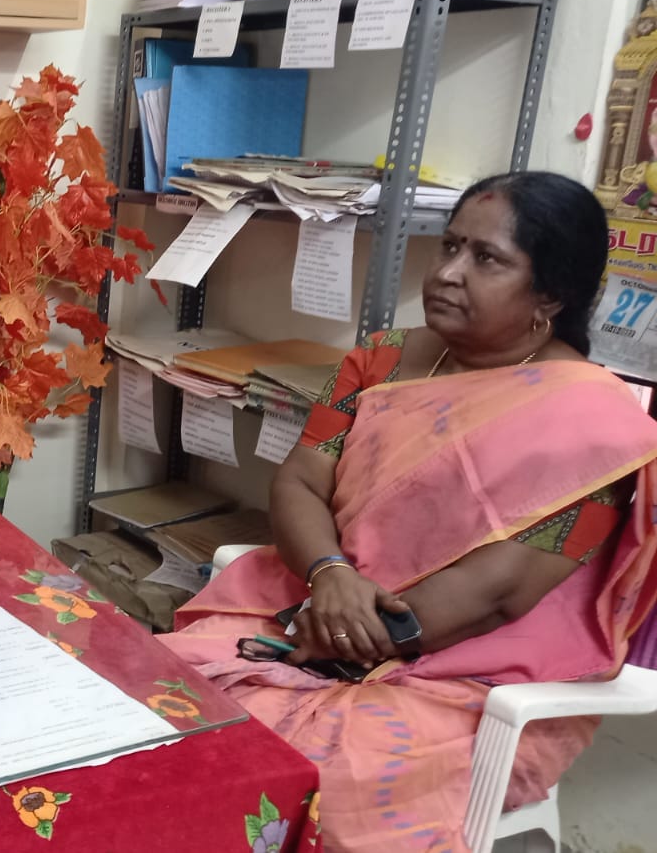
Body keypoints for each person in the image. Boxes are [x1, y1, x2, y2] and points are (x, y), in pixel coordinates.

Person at [161, 171, 657, 852]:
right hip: (307, 602)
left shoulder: (591, 428)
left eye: (486, 259)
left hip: (465, 678)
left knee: (283, 775)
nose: (448, 273)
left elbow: (497, 598)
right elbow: (300, 481)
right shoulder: (384, 359)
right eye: (449, 246)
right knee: (151, 698)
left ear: (551, 294)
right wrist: (330, 574)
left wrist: (329, 636)